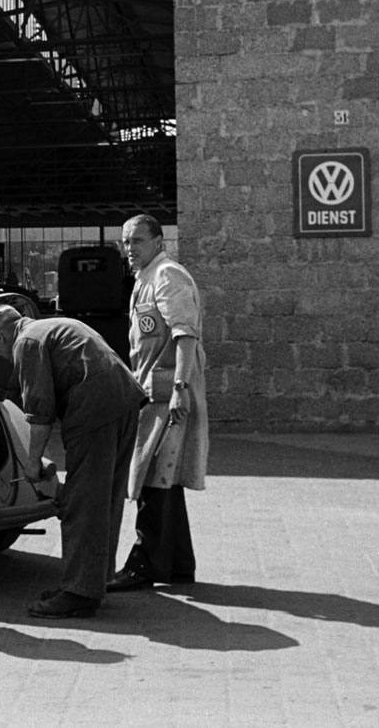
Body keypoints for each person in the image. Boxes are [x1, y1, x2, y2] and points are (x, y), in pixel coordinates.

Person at [0, 303, 146, 619]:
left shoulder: (26, 342)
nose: (0, 357)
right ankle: (92, 581)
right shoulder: (56, 325)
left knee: (81, 501)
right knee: (105, 498)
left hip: (94, 408)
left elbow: (40, 414)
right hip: (123, 401)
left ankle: (79, 593)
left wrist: (32, 464)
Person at [107, 214, 210, 593]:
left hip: (170, 395)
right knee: (162, 480)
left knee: (151, 478)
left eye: (136, 240)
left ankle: (144, 565)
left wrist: (181, 387)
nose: (129, 248)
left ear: (158, 242)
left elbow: (185, 334)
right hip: (155, 393)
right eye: (125, 241)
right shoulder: (144, 280)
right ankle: (178, 564)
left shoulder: (167, 275)